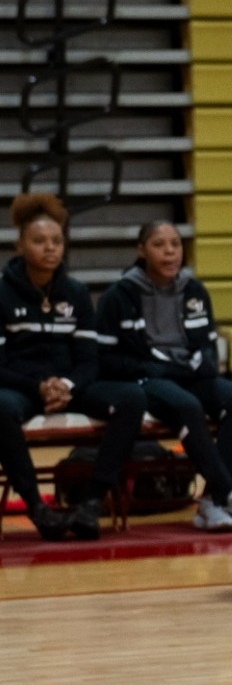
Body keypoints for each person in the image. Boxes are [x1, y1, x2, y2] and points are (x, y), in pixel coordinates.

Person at [0, 194, 146, 542]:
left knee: (131, 398)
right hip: (23, 387)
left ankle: (92, 502)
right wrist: (39, 386)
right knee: (0, 407)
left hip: (70, 386)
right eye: (39, 241)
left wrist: (66, 385)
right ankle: (37, 507)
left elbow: (88, 359)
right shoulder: (2, 293)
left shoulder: (76, 292)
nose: (50, 249)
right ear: (20, 244)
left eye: (57, 241)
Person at [96, 220, 232, 532]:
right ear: (141, 251)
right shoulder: (118, 296)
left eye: (175, 244)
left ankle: (210, 500)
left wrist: (205, 361)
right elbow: (107, 359)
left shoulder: (194, 290)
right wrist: (151, 368)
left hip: (188, 374)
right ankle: (230, 493)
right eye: (159, 245)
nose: (169, 252)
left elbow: (206, 345)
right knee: (187, 405)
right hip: (147, 379)